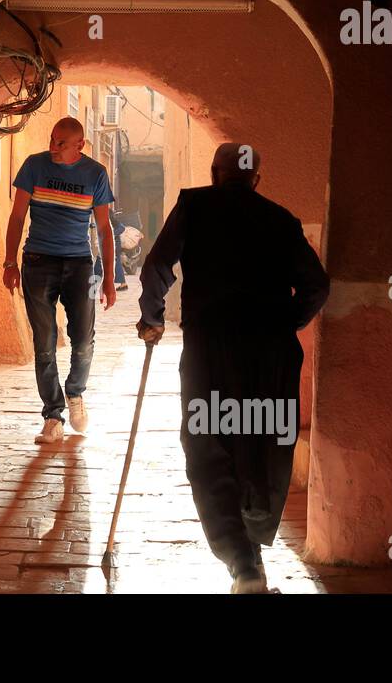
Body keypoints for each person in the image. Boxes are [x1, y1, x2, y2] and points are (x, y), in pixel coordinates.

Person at [136, 142, 329, 593]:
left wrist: (152, 318)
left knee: (208, 446)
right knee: (263, 445)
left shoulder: (195, 204)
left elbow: (158, 265)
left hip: (212, 348)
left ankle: (243, 563)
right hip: (272, 354)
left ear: (215, 173)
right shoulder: (281, 220)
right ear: (256, 179)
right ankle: (251, 555)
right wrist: (286, 323)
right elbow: (316, 286)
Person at [3, 117, 117, 444]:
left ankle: (75, 393)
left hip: (80, 264)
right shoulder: (34, 167)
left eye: (61, 143)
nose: (53, 147)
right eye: (52, 140)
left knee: (84, 340)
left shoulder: (95, 174)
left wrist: (108, 278)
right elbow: (16, 216)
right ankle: (52, 415)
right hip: (38, 262)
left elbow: (104, 229)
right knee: (44, 342)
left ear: (79, 145)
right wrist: (10, 261)